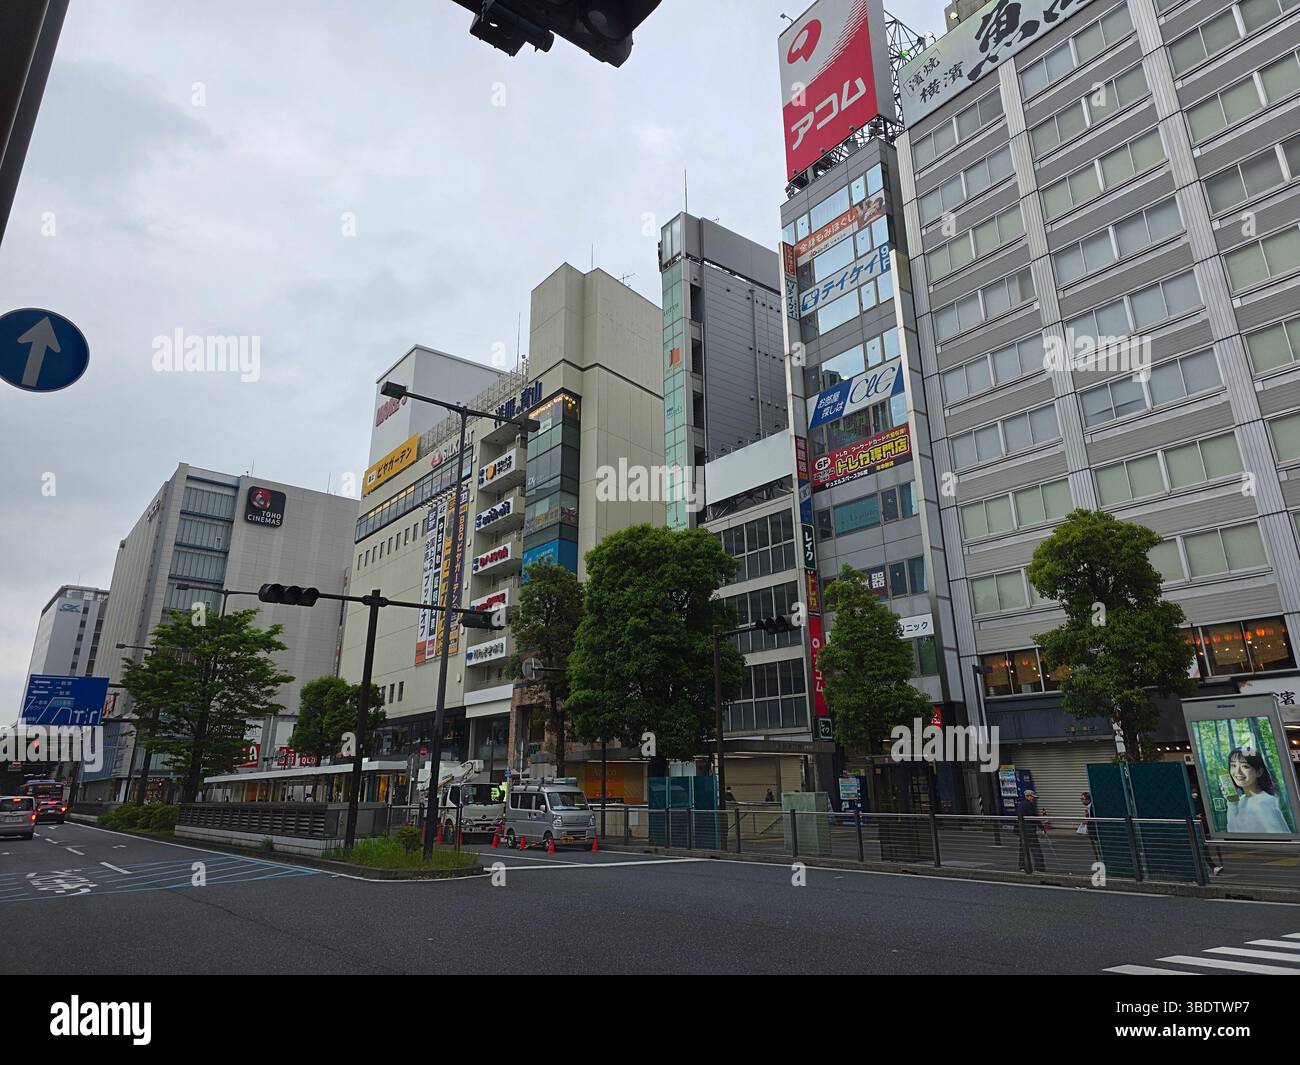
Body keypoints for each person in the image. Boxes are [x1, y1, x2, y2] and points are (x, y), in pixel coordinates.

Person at [1224, 747, 1291, 835]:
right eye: (1233, 765)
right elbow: (1232, 832)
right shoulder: (1240, 800)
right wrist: (1232, 803)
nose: (1237, 772)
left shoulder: (1264, 802)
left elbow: (1281, 840)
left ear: (1259, 772)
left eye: (1245, 766)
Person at [1016, 789, 1047, 872]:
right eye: (1032, 797)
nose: (1034, 799)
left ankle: (1022, 866)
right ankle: (1040, 867)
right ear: (1027, 796)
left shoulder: (1020, 804)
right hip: (1029, 830)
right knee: (1036, 848)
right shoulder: (1028, 805)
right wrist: (1042, 828)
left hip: (1021, 829)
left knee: (1023, 848)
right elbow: (1034, 817)